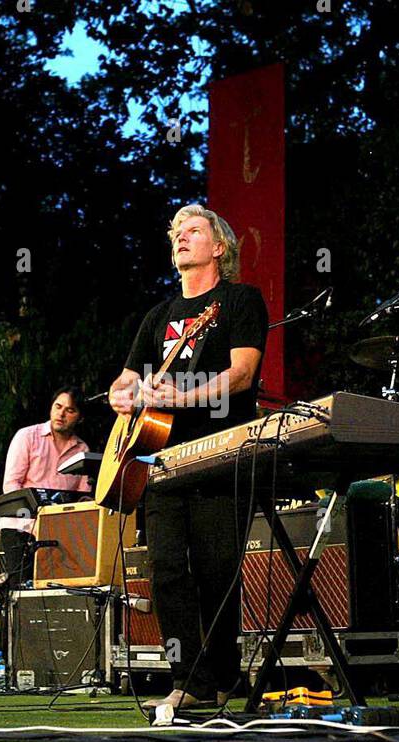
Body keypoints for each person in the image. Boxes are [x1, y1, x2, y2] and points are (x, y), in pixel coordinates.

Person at [108, 203, 269, 712]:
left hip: (222, 453)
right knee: (168, 572)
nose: (180, 237)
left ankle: (223, 675)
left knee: (219, 569)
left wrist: (179, 397)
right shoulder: (157, 316)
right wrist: (124, 397)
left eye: (193, 230)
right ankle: (192, 680)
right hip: (158, 458)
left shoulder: (239, 301)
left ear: (218, 247)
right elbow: (125, 382)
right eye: (176, 231)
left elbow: (241, 375)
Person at [0, 386, 91, 533]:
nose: (61, 414)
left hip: (61, 530)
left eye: (70, 410)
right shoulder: (27, 436)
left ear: (80, 418)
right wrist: (32, 520)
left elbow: (82, 498)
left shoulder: (82, 450)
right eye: (58, 406)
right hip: (21, 527)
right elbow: (11, 485)